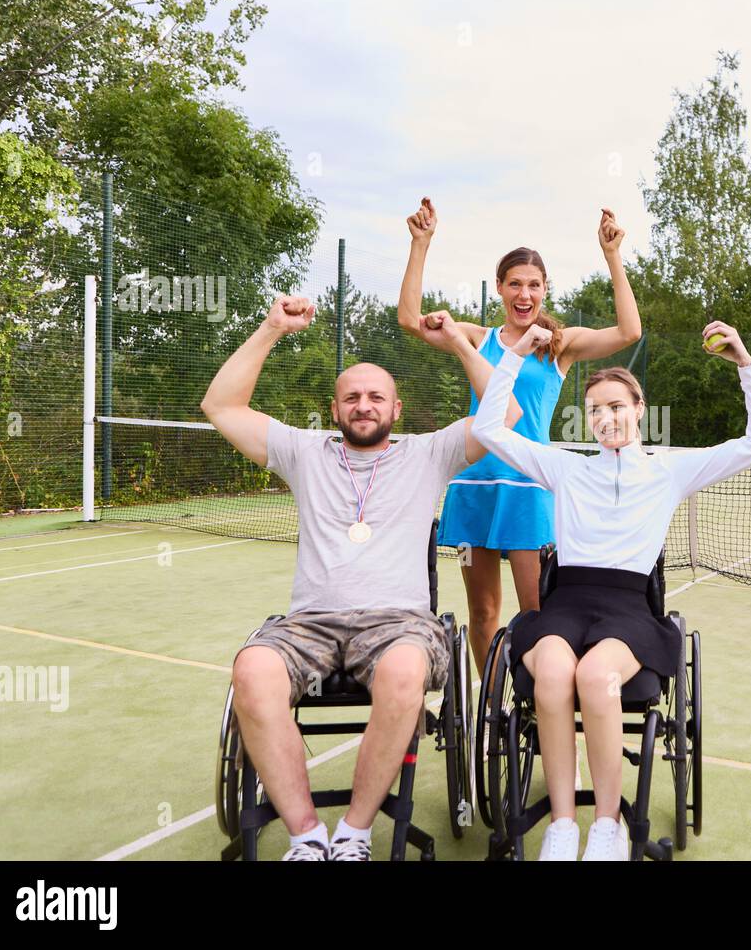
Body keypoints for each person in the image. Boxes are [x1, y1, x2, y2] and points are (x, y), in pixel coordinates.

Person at [202, 295, 521, 861]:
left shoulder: (429, 454)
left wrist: (457, 343)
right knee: (251, 670)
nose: (364, 405)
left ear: (396, 409)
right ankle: (305, 837)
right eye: (352, 396)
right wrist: (272, 328)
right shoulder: (304, 453)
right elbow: (222, 406)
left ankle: (353, 832)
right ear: (335, 409)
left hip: (399, 624)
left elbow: (507, 415)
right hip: (309, 624)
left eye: (376, 397)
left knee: (403, 673)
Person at [471, 319, 751, 860]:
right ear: (586, 419)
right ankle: (564, 826)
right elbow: (489, 432)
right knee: (550, 672)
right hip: (566, 602)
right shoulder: (566, 470)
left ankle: (608, 826)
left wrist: (745, 363)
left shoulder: (669, 471)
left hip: (629, 608)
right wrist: (515, 354)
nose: (606, 417)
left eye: (617, 406)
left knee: (595, 676)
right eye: (595, 409)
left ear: (638, 409)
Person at [397, 198, 643, 678]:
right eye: (515, 284)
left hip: (529, 490)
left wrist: (613, 256)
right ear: (500, 289)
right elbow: (409, 319)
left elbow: (629, 330)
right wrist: (420, 243)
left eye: (534, 285)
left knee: (536, 613)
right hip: (473, 491)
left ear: (545, 290)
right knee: (484, 613)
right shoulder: (475, 337)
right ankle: (492, 704)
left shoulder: (558, 345)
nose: (524, 293)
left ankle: (533, 700)